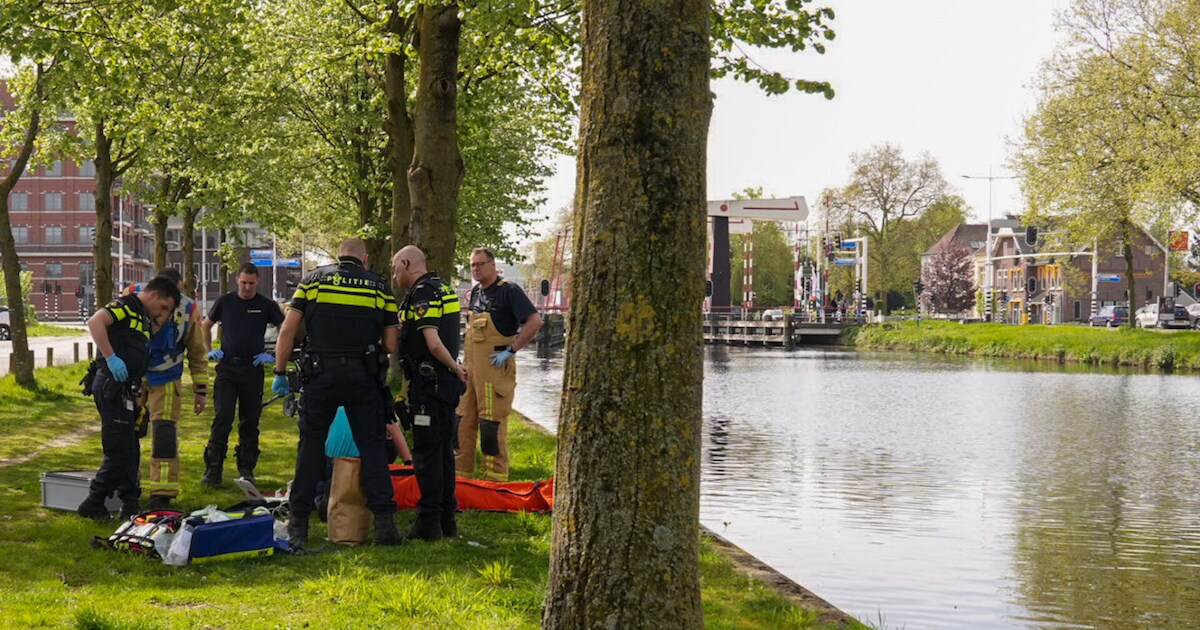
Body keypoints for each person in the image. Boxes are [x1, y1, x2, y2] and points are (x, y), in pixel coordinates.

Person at [271, 238, 402, 548]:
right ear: (365, 258)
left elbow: (288, 330)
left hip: (320, 375)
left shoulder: (312, 282)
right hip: (363, 376)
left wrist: (279, 373)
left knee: (311, 447)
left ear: (339, 256)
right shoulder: (380, 287)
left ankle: (299, 524)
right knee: (371, 447)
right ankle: (384, 525)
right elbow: (391, 344)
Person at [77, 276, 181, 520]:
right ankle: (93, 501)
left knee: (131, 448)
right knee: (119, 449)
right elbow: (95, 322)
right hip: (110, 384)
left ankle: (130, 503)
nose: (162, 313)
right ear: (154, 294)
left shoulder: (144, 319)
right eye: (164, 306)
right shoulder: (126, 306)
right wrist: (111, 358)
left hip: (125, 389)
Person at [393, 245, 466, 540]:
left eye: (395, 267)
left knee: (425, 454)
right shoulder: (444, 288)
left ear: (407, 263)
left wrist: (454, 367)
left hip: (430, 386)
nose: (394, 274)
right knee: (444, 453)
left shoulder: (423, 293)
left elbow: (433, 342)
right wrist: (455, 369)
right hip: (445, 385)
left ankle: (428, 520)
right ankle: (447, 518)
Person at [121, 268, 209, 510]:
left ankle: (162, 494)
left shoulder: (188, 309)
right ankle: (128, 486)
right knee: (128, 431)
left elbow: (197, 350)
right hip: (134, 376)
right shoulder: (133, 295)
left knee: (164, 434)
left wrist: (201, 390)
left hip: (166, 378)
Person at [456, 247, 542, 482]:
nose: (476, 269)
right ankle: (462, 476)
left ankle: (493, 480)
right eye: (472, 265)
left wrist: (512, 350)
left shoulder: (509, 292)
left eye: (480, 264)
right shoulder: (475, 293)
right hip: (472, 371)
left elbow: (535, 321)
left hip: (495, 371)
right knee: (462, 421)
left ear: (493, 265)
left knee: (491, 424)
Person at [200, 263, 285, 486]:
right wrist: (209, 350)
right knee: (223, 417)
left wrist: (274, 355)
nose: (247, 287)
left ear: (257, 283)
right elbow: (204, 325)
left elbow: (287, 330)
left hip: (253, 369)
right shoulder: (225, 302)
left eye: (252, 284)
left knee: (250, 421)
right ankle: (213, 469)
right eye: (244, 283)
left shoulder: (266, 305)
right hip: (227, 368)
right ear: (237, 280)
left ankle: (246, 469)